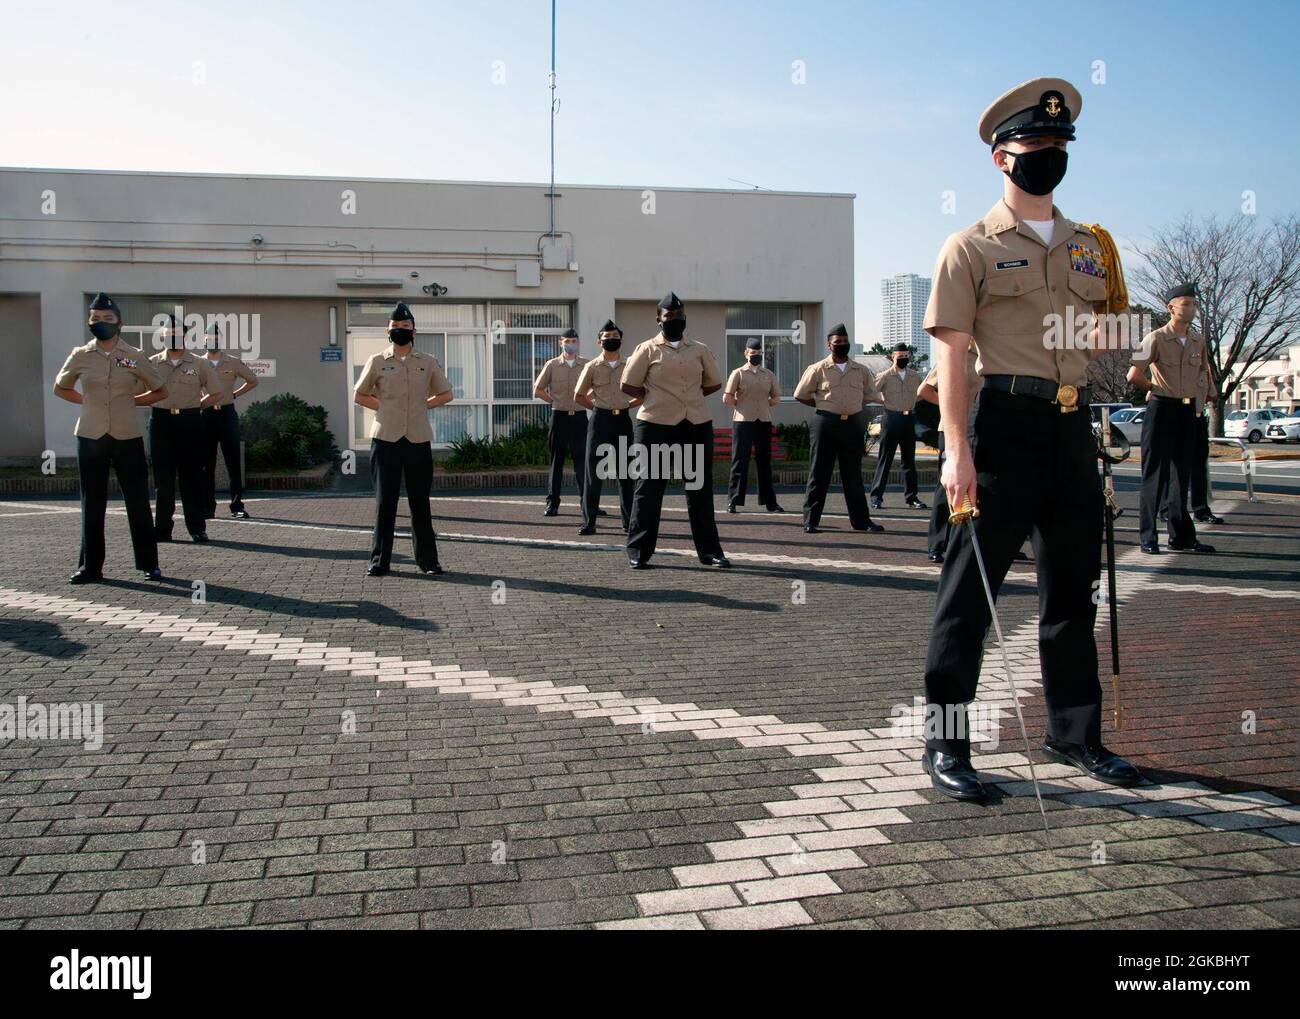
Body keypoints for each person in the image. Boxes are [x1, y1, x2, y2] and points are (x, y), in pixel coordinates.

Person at [920, 77, 1142, 800]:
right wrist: (957, 449)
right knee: (968, 597)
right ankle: (947, 745)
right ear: (1000, 158)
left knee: (1073, 595)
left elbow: (1096, 336)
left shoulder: (1089, 247)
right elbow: (952, 354)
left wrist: (1134, 343)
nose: (1047, 154)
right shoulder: (970, 248)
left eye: (1057, 144)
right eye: (1033, 145)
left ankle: (1073, 734)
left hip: (1071, 429)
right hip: (1003, 427)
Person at [53, 292, 167, 582]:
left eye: (108, 318)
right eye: (96, 318)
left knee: (138, 501)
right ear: (89, 322)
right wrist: (89, 403)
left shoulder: (134, 356)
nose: (101, 322)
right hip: (90, 435)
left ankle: (148, 564)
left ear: (119, 323)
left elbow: (160, 389)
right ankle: (90, 566)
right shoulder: (80, 355)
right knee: (92, 501)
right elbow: (61, 387)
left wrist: (133, 401)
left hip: (127, 434)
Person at [621, 292, 729, 569]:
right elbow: (628, 385)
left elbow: (713, 383)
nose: (675, 320)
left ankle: (710, 552)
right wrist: (657, 398)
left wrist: (688, 398)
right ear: (659, 320)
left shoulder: (699, 349)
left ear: (685, 319)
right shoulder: (646, 350)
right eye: (669, 316)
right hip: (655, 425)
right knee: (649, 488)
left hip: (694, 424)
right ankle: (639, 550)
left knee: (699, 490)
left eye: (679, 316)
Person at [352, 302, 454, 576]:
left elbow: (446, 393)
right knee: (386, 502)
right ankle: (379, 561)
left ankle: (428, 562)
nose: (400, 330)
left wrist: (424, 405)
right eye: (395, 327)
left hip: (418, 438)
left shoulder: (427, 361)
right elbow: (358, 394)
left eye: (405, 327)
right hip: (385, 439)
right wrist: (382, 407)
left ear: (414, 331)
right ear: (388, 330)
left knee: (420, 503)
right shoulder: (377, 361)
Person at [1128, 283, 1217, 555]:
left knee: (1182, 475)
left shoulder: (1198, 340)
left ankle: (1181, 536)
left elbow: (1205, 372)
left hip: (1187, 411)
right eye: (1185, 303)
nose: (1191, 308)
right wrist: (1154, 389)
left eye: (1193, 304)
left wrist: (1209, 394)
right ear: (1171, 307)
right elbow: (1133, 375)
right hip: (1161, 408)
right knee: (1155, 473)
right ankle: (1148, 536)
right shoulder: (1154, 337)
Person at [793, 324, 884, 534]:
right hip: (826, 424)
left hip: (852, 424)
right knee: (819, 473)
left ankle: (861, 521)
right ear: (829, 345)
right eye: (837, 343)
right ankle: (811, 520)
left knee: (853, 475)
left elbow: (870, 395)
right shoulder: (817, 369)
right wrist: (824, 407)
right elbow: (801, 394)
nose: (842, 346)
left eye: (845, 342)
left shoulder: (860, 370)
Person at [149, 315, 220, 543]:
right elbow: (138, 390)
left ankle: (197, 528)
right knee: (164, 479)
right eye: (169, 334)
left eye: (177, 333)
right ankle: (162, 530)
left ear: (185, 336)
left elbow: (217, 391)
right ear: (161, 336)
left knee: (191, 477)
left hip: (190, 422)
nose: (173, 337)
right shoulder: (151, 363)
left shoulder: (200, 363)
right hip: (161, 422)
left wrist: (197, 406)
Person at [917, 345, 982, 563]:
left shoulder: (995, 355)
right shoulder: (957, 354)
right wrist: (953, 405)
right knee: (945, 489)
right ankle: (938, 543)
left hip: (986, 428)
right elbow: (924, 390)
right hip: (954, 429)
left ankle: (982, 542)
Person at [575, 319, 639, 534]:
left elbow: (644, 391)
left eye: (615, 338)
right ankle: (589, 522)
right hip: (600, 421)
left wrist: (627, 405)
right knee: (593, 472)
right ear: (599, 341)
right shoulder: (592, 366)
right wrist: (596, 408)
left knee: (626, 473)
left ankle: (628, 522)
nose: (611, 341)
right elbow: (579, 395)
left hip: (622, 420)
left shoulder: (630, 364)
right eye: (607, 338)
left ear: (621, 340)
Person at [200, 321, 259, 520]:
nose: (213, 342)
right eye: (209, 339)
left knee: (233, 462)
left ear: (221, 341)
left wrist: (234, 394)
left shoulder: (232, 362)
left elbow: (253, 380)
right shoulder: (198, 363)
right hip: (206, 415)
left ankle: (237, 507)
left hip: (227, 414)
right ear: (203, 340)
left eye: (216, 339)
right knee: (207, 464)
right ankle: (208, 507)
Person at [723, 337, 784, 514]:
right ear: (746, 353)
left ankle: (770, 503)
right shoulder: (738, 373)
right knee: (739, 461)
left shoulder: (769, 374)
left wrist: (766, 405)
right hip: (743, 422)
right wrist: (741, 405)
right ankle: (733, 501)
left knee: (765, 462)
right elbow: (726, 397)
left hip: (763, 421)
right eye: (752, 353)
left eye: (758, 353)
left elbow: (777, 397)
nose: (755, 356)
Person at [534, 328, 588, 517]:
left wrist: (591, 403)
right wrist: (553, 401)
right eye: (567, 341)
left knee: (582, 462)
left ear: (578, 343)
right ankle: (552, 503)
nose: (570, 344)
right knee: (557, 462)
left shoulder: (587, 365)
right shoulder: (552, 365)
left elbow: (597, 388)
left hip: (580, 417)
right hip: (559, 417)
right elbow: (538, 389)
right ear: (560, 343)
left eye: (574, 340)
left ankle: (588, 504)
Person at [870, 342, 926, 509]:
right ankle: (876, 497)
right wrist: (885, 401)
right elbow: (870, 393)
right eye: (900, 356)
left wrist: (912, 402)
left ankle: (912, 497)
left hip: (908, 420)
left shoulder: (915, 376)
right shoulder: (885, 376)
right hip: (891, 418)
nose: (903, 359)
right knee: (885, 459)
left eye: (906, 356)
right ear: (892, 357)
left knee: (909, 461)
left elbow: (923, 392)